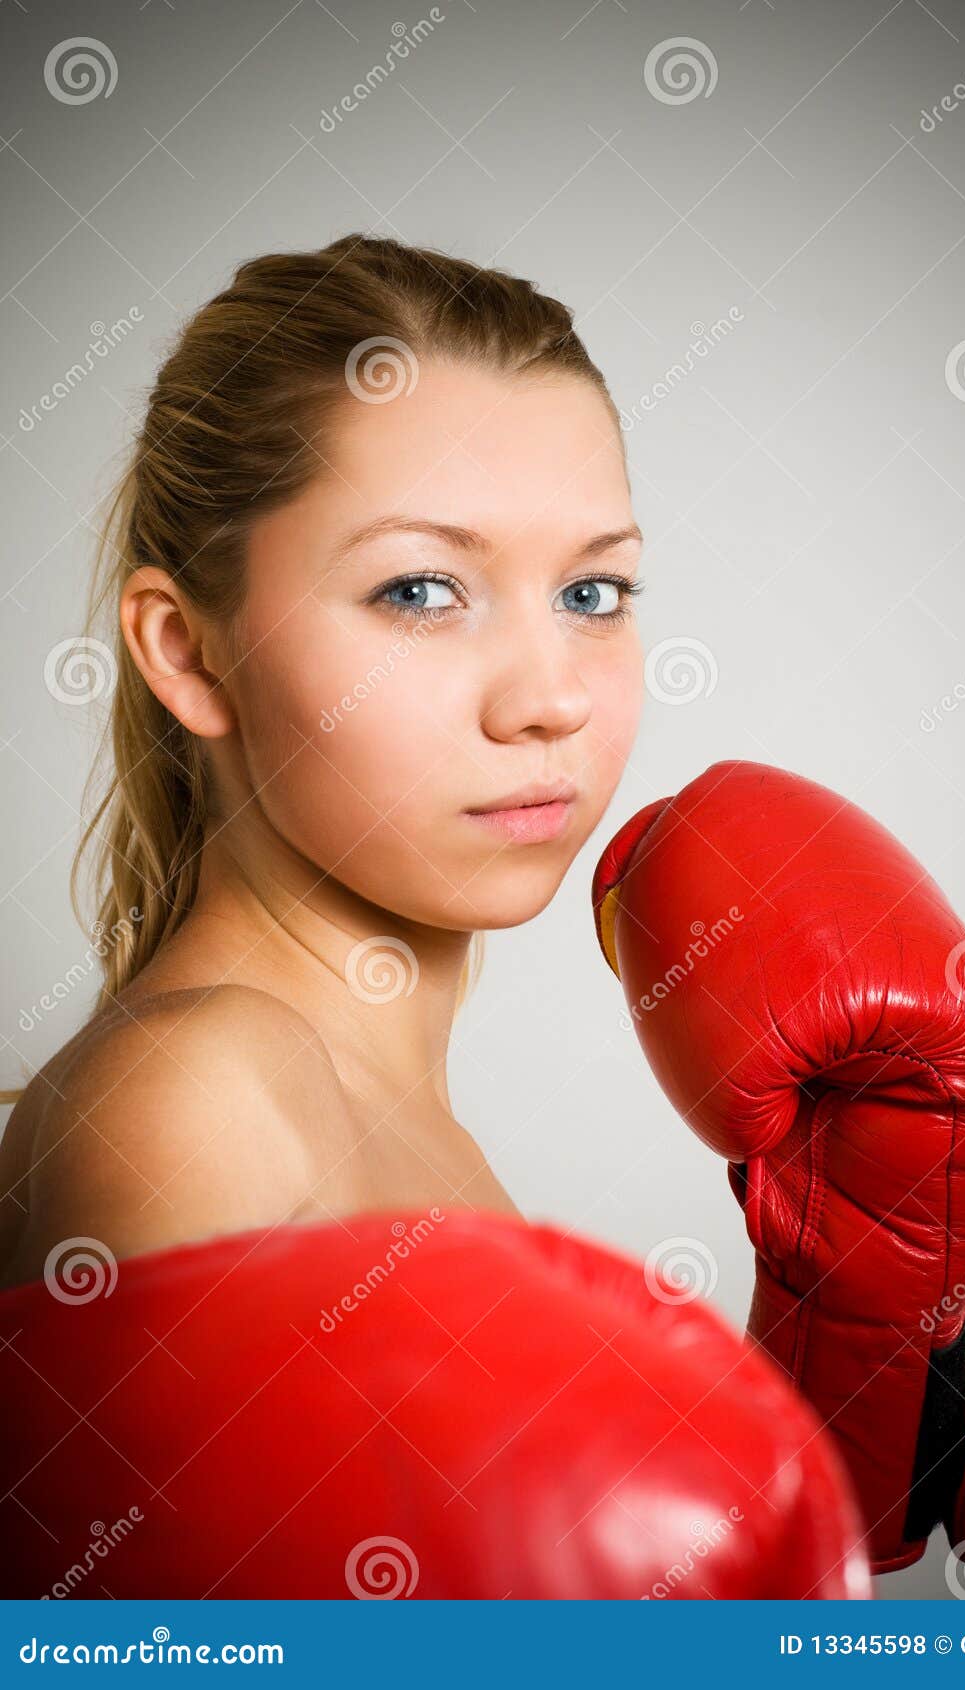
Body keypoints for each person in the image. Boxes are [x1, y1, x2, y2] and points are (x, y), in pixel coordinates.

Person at [0, 233, 646, 1288]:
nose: (550, 700)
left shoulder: (382, 1121)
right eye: (419, 591)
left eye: (591, 593)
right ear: (186, 650)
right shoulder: (199, 1105)